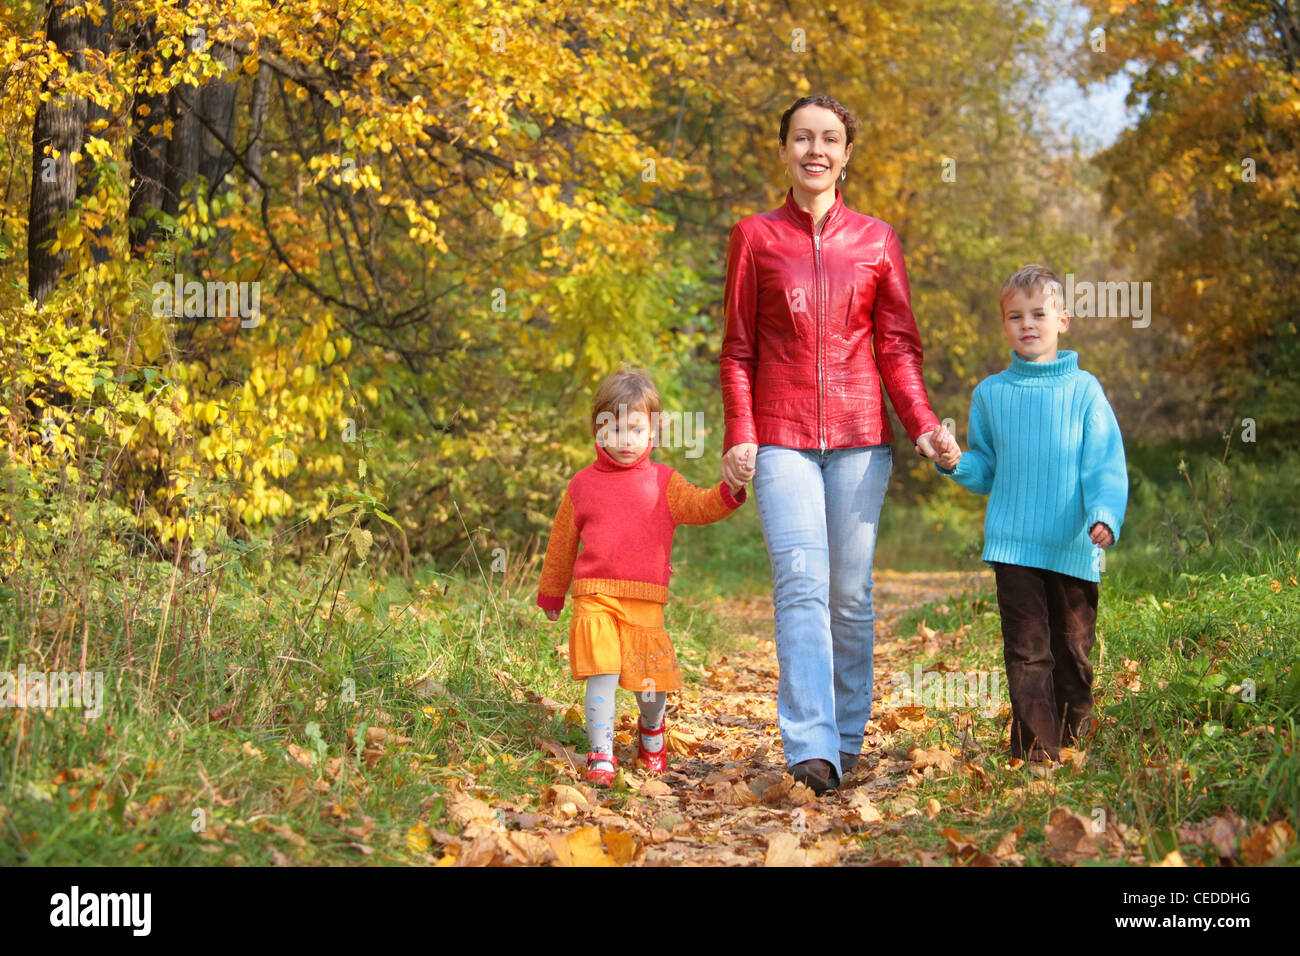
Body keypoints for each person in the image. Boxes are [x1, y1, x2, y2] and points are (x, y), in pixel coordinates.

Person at [720, 93, 949, 795]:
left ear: (846, 154)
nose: (814, 150)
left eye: (829, 139)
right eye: (801, 138)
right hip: (782, 436)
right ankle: (811, 748)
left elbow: (898, 346)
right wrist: (740, 433)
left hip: (859, 438)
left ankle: (848, 737)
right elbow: (736, 350)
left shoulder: (877, 240)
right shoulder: (754, 236)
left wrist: (924, 425)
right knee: (801, 586)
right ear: (784, 150)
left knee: (849, 596)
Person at [931, 263, 1128, 766]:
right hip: (1013, 544)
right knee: (1027, 651)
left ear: (1063, 319)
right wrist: (955, 462)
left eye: (1039, 313)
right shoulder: (991, 394)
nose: (1028, 324)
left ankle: (1073, 740)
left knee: (1072, 655)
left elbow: (1104, 463)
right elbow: (987, 469)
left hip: (1072, 544)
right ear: (1004, 326)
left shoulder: (1085, 391)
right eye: (1015, 316)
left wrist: (1105, 513)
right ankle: (1037, 752)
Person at [537, 367, 748, 786]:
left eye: (635, 429)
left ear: (653, 429)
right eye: (613, 429)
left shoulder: (664, 481)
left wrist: (729, 491)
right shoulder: (582, 485)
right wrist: (551, 592)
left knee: (649, 687)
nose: (624, 440)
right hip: (595, 596)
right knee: (603, 673)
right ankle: (601, 754)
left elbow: (701, 507)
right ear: (597, 430)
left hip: (645, 600)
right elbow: (561, 542)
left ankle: (652, 731)